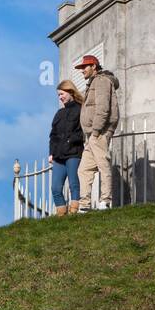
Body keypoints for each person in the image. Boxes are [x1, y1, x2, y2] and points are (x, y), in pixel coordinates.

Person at [74, 54, 120, 212]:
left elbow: (103, 108)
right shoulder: (94, 82)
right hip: (92, 134)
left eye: (84, 67)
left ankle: (105, 201)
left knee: (102, 164)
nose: (82, 71)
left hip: (98, 132)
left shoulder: (101, 81)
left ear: (94, 66)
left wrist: (95, 131)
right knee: (84, 169)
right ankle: (85, 205)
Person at [48, 80, 85, 216]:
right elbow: (53, 135)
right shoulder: (59, 113)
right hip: (58, 155)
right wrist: (51, 153)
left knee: (74, 183)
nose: (60, 97)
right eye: (58, 95)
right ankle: (61, 214)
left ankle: (74, 211)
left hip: (74, 153)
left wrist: (71, 140)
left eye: (62, 94)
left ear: (70, 92)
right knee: (55, 188)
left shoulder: (81, 109)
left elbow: (83, 131)